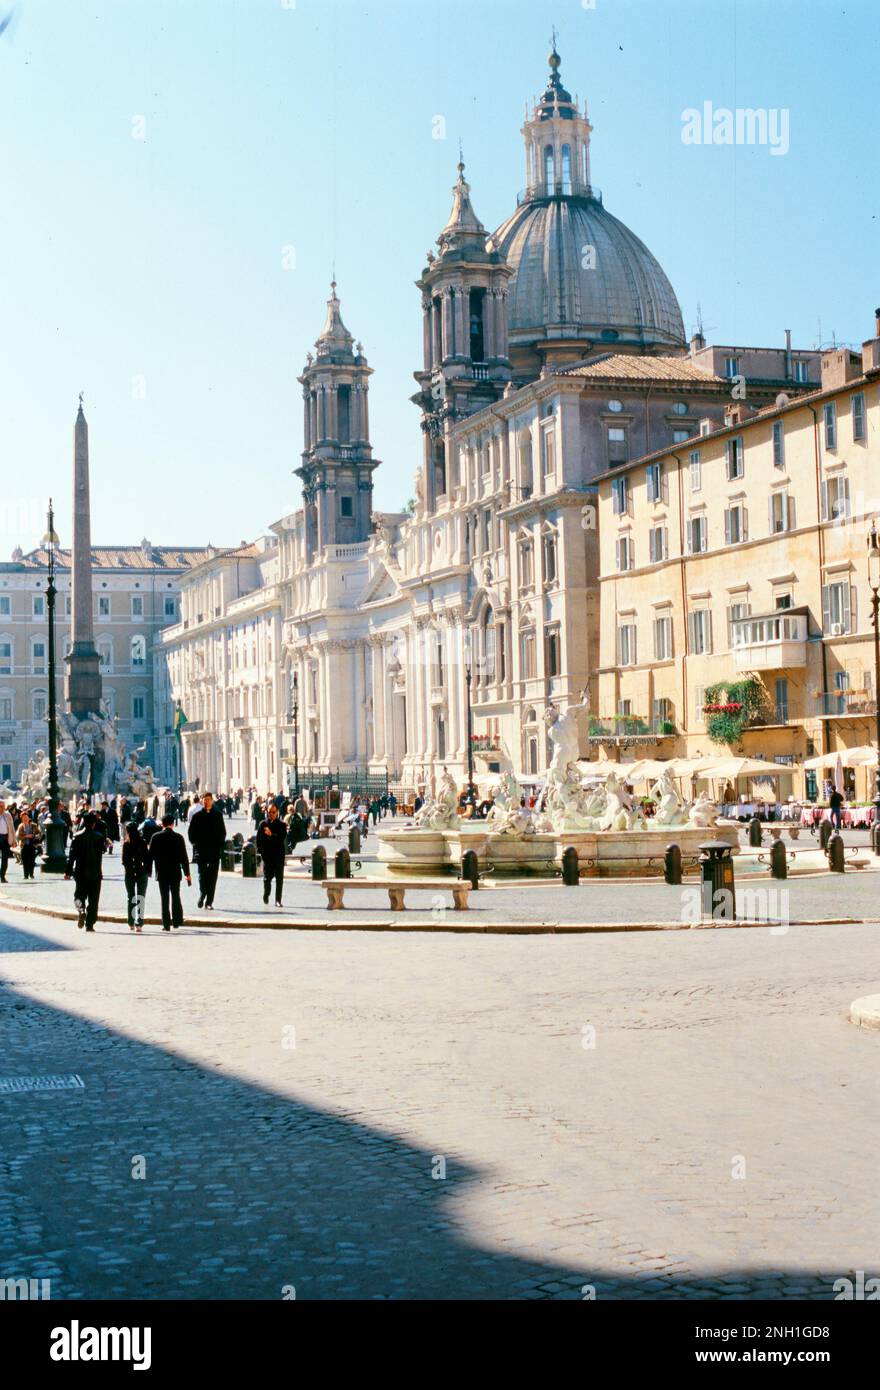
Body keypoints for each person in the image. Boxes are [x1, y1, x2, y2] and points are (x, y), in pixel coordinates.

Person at [149, 813, 192, 930]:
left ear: (162, 824)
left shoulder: (155, 837)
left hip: (161, 872)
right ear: (173, 824)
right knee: (176, 896)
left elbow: (150, 856)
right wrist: (187, 874)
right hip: (175, 872)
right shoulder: (179, 837)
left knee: (164, 898)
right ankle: (177, 921)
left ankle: (166, 924)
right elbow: (184, 858)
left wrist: (149, 872)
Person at [64, 812, 105, 930]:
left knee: (78, 896)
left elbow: (72, 857)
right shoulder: (99, 837)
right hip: (96, 872)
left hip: (80, 872)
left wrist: (68, 871)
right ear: (93, 824)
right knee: (93, 899)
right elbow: (102, 852)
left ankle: (81, 910)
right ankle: (90, 924)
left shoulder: (77, 836)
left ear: (83, 822)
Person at [187, 791, 226, 910]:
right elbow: (191, 833)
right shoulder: (197, 816)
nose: (206, 801)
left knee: (213, 877)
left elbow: (222, 832)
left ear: (212, 801)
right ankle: (203, 893)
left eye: (208, 799)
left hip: (214, 851)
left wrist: (219, 844)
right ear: (202, 800)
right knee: (202, 875)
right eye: (204, 799)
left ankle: (209, 901)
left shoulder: (218, 815)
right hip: (201, 851)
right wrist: (195, 845)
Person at [121, 823, 151, 932]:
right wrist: (148, 871)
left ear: (128, 832)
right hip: (142, 872)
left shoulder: (126, 844)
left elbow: (124, 861)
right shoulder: (142, 842)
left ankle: (131, 922)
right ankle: (139, 923)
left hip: (129, 873)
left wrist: (130, 870)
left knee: (131, 897)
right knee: (140, 897)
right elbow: (147, 858)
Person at [258, 801, 287, 906]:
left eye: (274, 812)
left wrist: (271, 835)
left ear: (277, 812)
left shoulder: (282, 825)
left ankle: (278, 900)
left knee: (279, 879)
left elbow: (281, 838)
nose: (272, 814)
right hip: (267, 857)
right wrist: (262, 853)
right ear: (267, 812)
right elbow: (259, 841)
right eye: (270, 812)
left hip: (278, 856)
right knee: (267, 879)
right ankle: (266, 893)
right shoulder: (263, 824)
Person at [16, 809, 42, 880]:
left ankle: (31, 874)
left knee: (31, 860)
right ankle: (26, 875)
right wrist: (27, 836)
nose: (25, 819)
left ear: (28, 818)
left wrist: (35, 836)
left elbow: (39, 833)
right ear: (22, 819)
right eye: (24, 818)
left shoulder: (33, 825)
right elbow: (19, 836)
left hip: (32, 845)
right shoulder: (21, 826)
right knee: (25, 861)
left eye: (26, 818)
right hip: (24, 845)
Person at [0, 799, 15, 882]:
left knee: (5, 859)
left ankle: (2, 876)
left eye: (2, 806)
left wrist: (14, 841)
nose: (1, 808)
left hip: (6, 838)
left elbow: (12, 828)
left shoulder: (8, 815)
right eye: (0, 806)